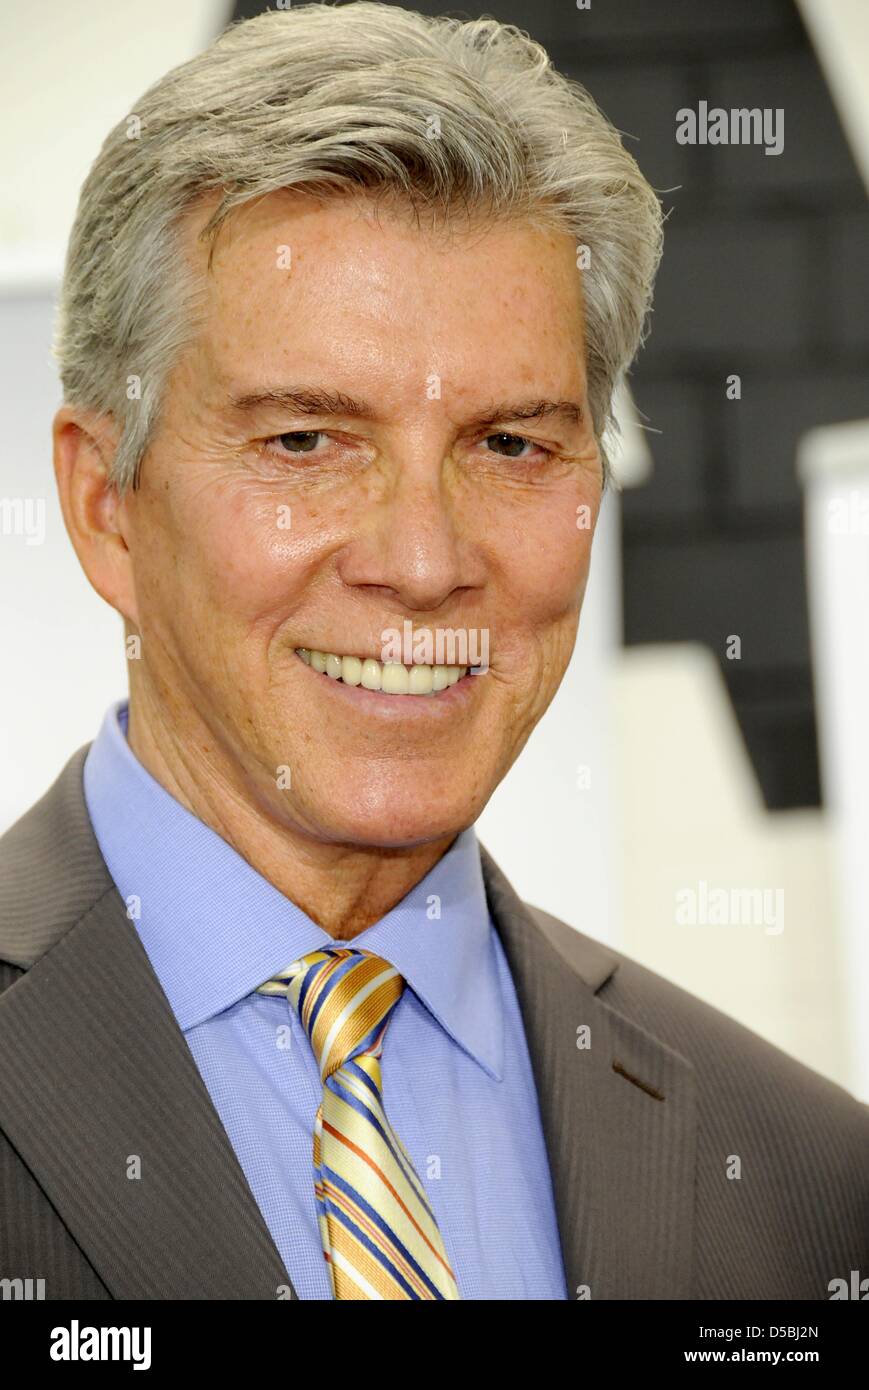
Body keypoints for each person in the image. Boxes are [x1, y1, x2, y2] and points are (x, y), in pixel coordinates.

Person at [0, 3, 865, 1301]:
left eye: (511, 444)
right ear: (104, 503)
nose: (420, 560)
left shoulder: (806, 1183)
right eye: (305, 440)